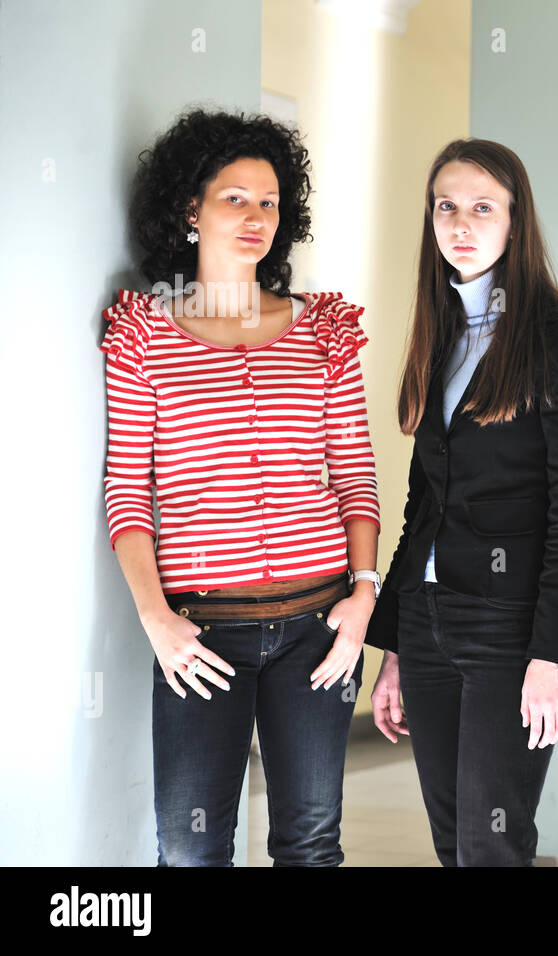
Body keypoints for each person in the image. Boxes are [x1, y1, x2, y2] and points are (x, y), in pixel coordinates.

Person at [102, 109, 381, 866]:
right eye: (235, 198)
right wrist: (156, 619)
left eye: (270, 202)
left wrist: (362, 597)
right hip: (199, 633)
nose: (257, 217)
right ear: (190, 209)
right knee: (188, 851)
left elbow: (356, 476)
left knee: (312, 843)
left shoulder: (323, 331)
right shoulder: (143, 335)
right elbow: (127, 494)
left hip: (320, 630)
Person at [364, 139, 558, 867]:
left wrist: (552, 656)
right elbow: (421, 502)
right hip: (430, 622)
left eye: (481, 207)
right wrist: (397, 646)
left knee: (491, 845)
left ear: (514, 220)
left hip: (508, 626)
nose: (460, 223)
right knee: (451, 844)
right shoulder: (441, 330)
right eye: (446, 206)